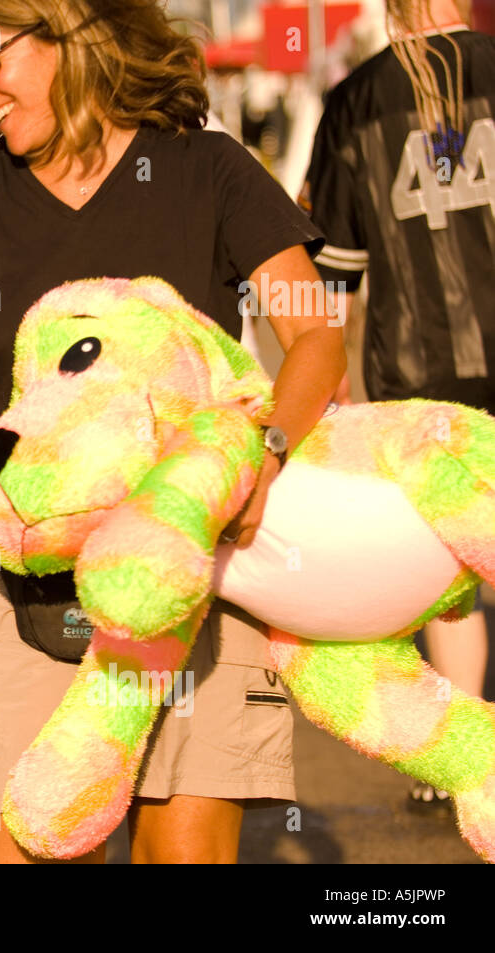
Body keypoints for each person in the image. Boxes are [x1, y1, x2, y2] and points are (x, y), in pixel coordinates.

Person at [0, 0, 346, 864]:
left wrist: (264, 456)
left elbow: (316, 334)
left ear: (62, 27)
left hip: (199, 564)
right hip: (18, 575)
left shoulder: (208, 170)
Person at [300, 0, 493, 809]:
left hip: (416, 367)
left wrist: (326, 372)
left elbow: (333, 269)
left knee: (449, 570)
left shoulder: (353, 101)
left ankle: (467, 749)